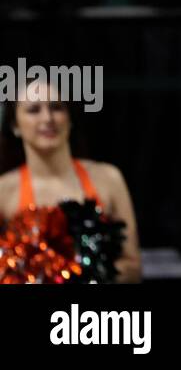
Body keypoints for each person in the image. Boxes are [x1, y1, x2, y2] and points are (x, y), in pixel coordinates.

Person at [0, 78, 141, 283]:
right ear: (15, 125)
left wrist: (84, 274)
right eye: (34, 110)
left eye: (57, 108)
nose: (48, 118)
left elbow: (132, 266)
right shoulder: (4, 191)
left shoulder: (109, 179)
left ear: (70, 117)